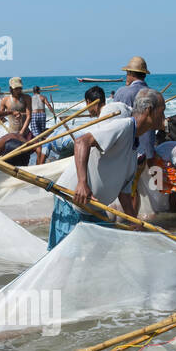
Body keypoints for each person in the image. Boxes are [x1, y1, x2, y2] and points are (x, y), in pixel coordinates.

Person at [48, 88, 165, 248]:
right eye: (162, 111)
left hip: (94, 209)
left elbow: (124, 191)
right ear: (150, 111)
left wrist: (134, 220)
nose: (164, 117)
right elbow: (82, 142)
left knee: (103, 252)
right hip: (72, 202)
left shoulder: (133, 145)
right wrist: (82, 183)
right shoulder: (123, 127)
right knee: (64, 257)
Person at [113, 56, 154, 162]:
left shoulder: (123, 92)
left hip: (130, 152)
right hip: (149, 151)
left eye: (127, 73)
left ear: (130, 73)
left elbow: (116, 123)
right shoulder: (153, 94)